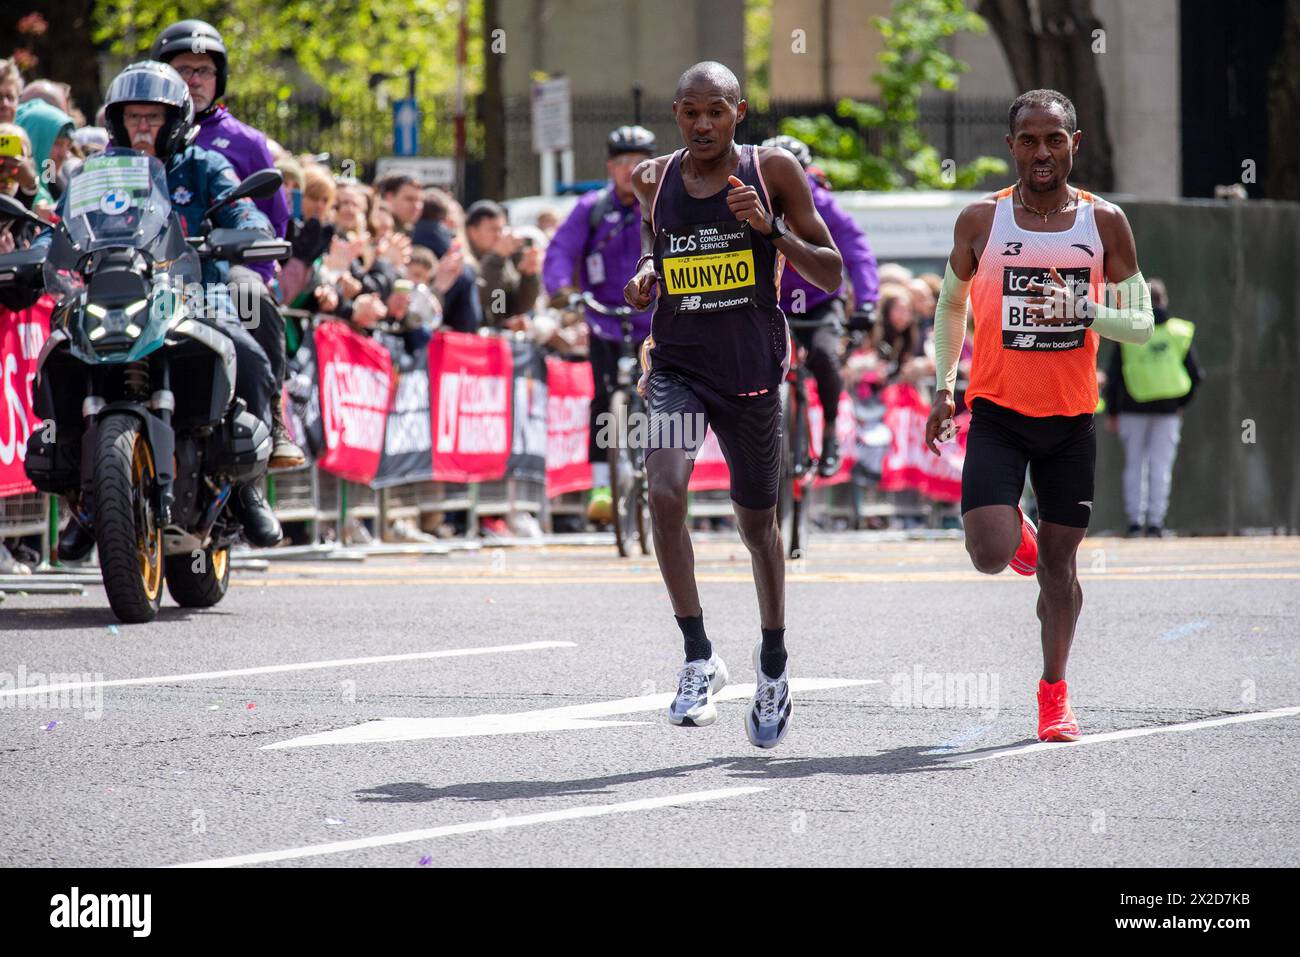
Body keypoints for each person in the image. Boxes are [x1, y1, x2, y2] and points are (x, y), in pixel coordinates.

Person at [624, 62, 843, 749]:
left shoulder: (771, 169)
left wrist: (771, 230)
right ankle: (697, 653)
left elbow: (830, 271)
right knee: (663, 491)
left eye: (715, 111)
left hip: (750, 375)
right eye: (690, 112)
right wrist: (646, 271)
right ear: (676, 113)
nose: (703, 124)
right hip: (679, 365)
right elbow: (653, 247)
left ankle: (773, 660)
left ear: (739, 111)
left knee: (758, 528)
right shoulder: (651, 179)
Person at [925, 89, 1154, 742]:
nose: (1043, 152)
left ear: (1074, 144)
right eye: (1029, 139)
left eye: (1055, 138)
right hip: (997, 411)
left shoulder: (1105, 222)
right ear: (1011, 148)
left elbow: (1139, 324)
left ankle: (1053, 691)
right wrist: (946, 384)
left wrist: (1082, 311)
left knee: (1061, 571)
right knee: (989, 551)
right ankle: (1015, 535)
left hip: (1070, 420)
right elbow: (949, 306)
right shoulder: (981, 220)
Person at [48, 61, 284, 561]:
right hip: (113, 294)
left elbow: (243, 211)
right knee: (58, 355)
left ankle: (248, 488)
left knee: (248, 352)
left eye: (152, 118)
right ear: (116, 121)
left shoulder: (204, 166)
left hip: (194, 293)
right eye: (133, 118)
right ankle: (84, 502)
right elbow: (60, 229)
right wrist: (41, 251)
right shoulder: (96, 173)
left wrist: (246, 231)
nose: (142, 128)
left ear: (175, 120)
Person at [150, 19, 305, 470]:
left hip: (223, 269)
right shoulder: (135, 136)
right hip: (147, 270)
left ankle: (270, 418)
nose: (194, 80)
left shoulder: (245, 142)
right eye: (183, 69)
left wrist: (249, 260)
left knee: (251, 296)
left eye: (204, 71)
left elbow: (273, 221)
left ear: (219, 80)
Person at [543, 124, 656, 522]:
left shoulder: (666, 204)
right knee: (605, 399)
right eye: (622, 163)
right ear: (609, 167)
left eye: (639, 163)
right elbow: (561, 250)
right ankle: (603, 485)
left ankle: (676, 480)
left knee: (673, 403)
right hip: (606, 320)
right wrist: (561, 291)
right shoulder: (591, 208)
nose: (630, 170)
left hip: (659, 323)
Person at [762, 134, 879, 476]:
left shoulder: (823, 205)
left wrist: (867, 305)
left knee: (825, 357)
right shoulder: (755, 201)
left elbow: (858, 253)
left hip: (820, 300)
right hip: (774, 301)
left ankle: (829, 431)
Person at [1103, 278, 1201, 537]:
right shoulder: (1179, 332)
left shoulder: (1127, 330)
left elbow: (1114, 376)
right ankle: (1156, 524)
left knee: (1135, 466)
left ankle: (1135, 523)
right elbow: (1195, 374)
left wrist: (1112, 411)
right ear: (1164, 299)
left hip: (1131, 410)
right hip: (1168, 411)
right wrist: (1180, 403)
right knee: (1161, 467)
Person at [465, 199, 542, 327]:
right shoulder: (463, 259)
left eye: (501, 229)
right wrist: (496, 257)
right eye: (493, 230)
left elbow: (503, 306)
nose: (499, 236)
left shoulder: (503, 261)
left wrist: (528, 276)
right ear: (473, 232)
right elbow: (480, 296)